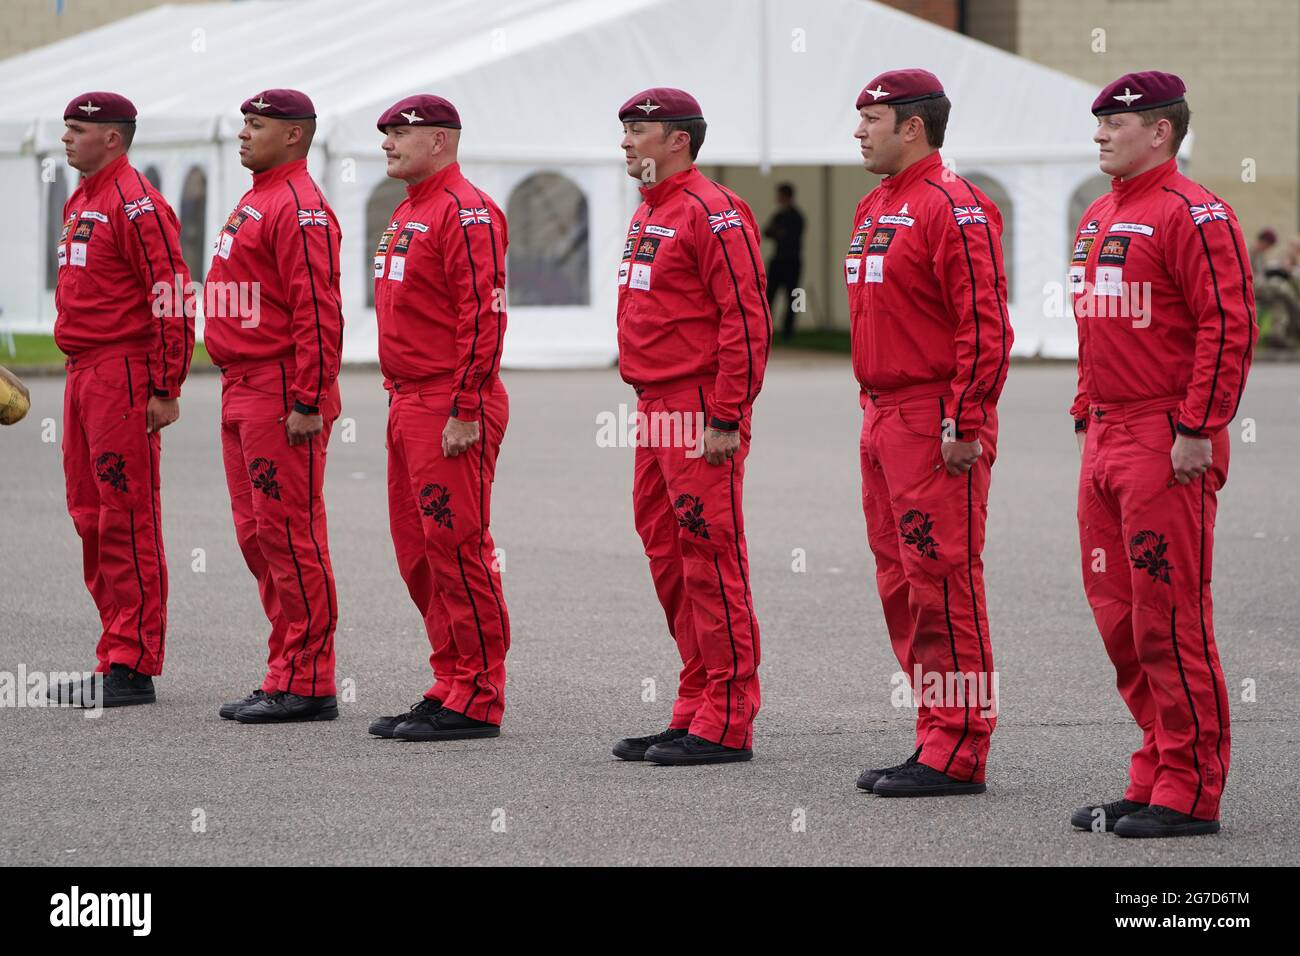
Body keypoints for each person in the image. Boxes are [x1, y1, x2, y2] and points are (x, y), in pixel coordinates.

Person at [1069, 71, 1255, 837]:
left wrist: (1196, 428)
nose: (1102, 134)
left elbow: (1228, 324)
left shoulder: (1195, 211)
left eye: (1120, 123)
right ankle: (1151, 772)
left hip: (1164, 436)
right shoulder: (1100, 212)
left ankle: (1191, 788)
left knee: (1169, 616)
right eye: (1100, 124)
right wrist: (1086, 406)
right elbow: (1097, 320)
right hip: (1107, 435)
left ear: (1163, 132)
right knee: (1119, 616)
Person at [845, 69, 1013, 797]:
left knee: (943, 581)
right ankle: (932, 731)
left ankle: (960, 745)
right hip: (880, 414)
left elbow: (984, 322)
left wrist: (964, 419)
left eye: (871, 119)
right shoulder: (875, 205)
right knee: (902, 583)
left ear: (911, 126)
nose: (859, 131)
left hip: (931, 417)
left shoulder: (954, 204)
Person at [611, 87, 770, 765]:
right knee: (667, 553)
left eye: (637, 131)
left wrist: (727, 414)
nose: (624, 143)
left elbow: (745, 317)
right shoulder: (649, 212)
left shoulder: (714, 210)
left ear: (678, 140)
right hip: (653, 406)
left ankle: (729, 717)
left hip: (699, 406)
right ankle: (695, 701)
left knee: (710, 558)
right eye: (623, 131)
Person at [367, 94, 512, 742]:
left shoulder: (466, 210)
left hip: (448, 401)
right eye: (385, 134)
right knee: (419, 552)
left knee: (457, 548)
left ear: (441, 139)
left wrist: (465, 406)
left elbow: (482, 315)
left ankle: (478, 695)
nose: (387, 143)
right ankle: (449, 679)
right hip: (408, 400)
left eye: (400, 132)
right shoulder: (408, 210)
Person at [48, 91, 195, 708]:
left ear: (113, 137)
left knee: (125, 515)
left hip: (123, 376)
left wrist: (166, 385)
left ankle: (133, 663)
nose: (66, 139)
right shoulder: (82, 197)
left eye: (77, 130)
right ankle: (113, 652)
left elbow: (173, 293)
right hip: (83, 373)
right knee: (89, 515)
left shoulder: (137, 204)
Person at [203, 89, 344, 724]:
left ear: (292, 135)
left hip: (280, 388)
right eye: (243, 123)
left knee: (291, 535)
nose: (242, 134)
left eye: (255, 125)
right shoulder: (257, 195)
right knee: (258, 535)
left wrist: (309, 398)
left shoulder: (298, 206)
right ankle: (283, 668)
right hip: (241, 385)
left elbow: (317, 308)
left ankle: (310, 681)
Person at [763, 182, 805, 340]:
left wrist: (780, 233)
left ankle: (789, 331)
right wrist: (779, 233)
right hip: (778, 260)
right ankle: (766, 328)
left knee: (794, 296)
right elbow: (767, 231)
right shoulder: (779, 215)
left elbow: (790, 237)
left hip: (792, 262)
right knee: (770, 295)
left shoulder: (797, 216)